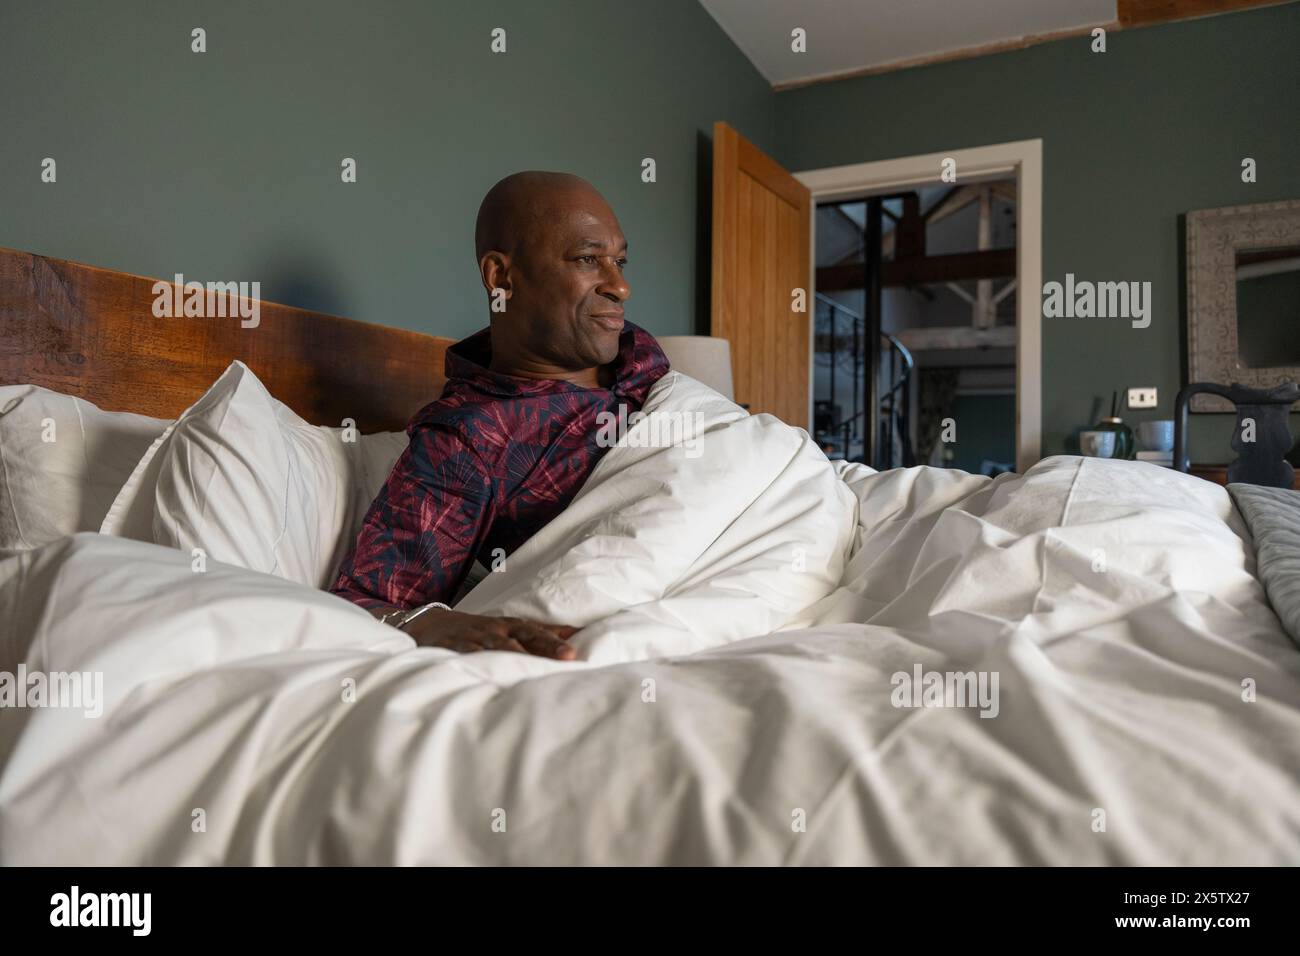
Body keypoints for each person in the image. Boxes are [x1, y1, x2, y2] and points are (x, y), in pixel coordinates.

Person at [330, 171, 669, 659]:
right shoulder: (467, 438)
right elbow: (366, 604)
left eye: (619, 260)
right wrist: (434, 628)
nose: (621, 286)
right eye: (588, 260)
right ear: (501, 276)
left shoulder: (643, 357)